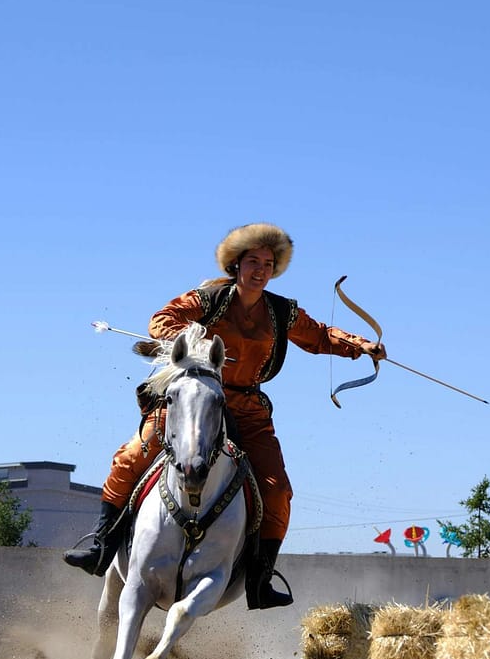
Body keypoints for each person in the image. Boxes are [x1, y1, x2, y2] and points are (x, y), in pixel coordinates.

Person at [65, 223, 386, 608]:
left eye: (268, 264)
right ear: (236, 265)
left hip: (248, 408)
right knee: (132, 456)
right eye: (253, 262)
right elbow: (162, 319)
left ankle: (260, 579)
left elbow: (319, 336)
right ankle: (102, 544)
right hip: (193, 398)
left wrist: (361, 345)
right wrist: (195, 337)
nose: (261, 270)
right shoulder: (211, 298)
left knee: (278, 490)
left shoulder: (280, 311)